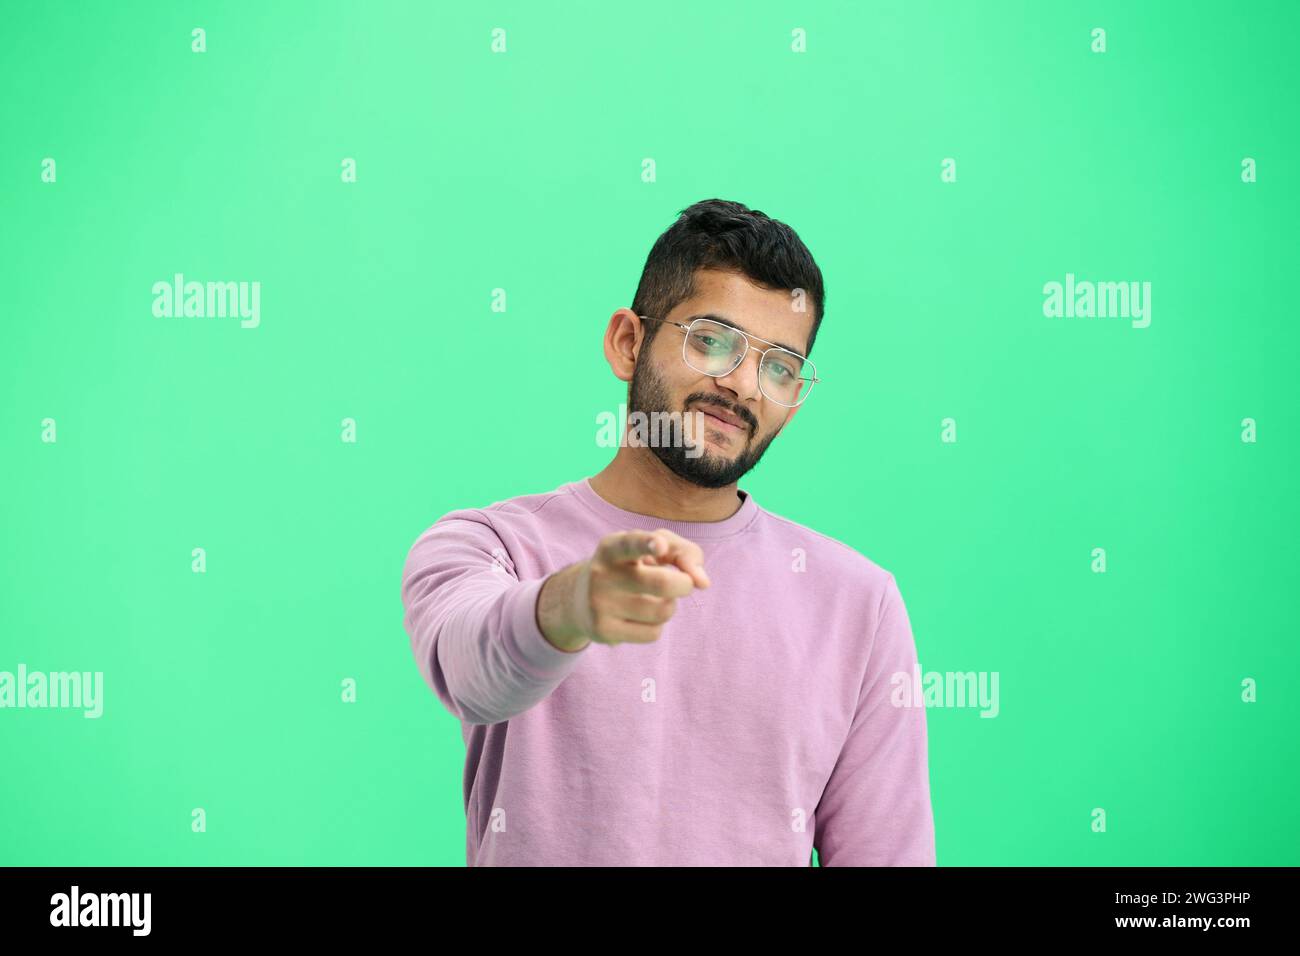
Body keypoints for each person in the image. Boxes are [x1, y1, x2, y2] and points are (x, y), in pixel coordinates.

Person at [400, 199, 936, 866]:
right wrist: (573, 603)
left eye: (779, 367)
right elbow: (471, 671)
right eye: (712, 340)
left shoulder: (860, 602)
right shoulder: (488, 546)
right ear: (629, 343)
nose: (742, 384)